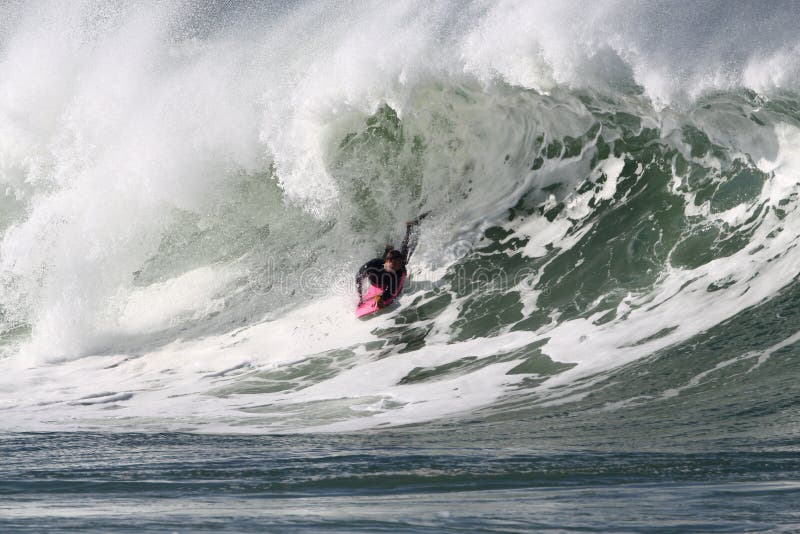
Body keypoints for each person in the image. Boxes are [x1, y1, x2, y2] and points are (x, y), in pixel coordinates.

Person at [356, 215, 425, 308]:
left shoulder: (397, 273)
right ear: (388, 261)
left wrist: (381, 298)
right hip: (379, 275)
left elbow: (391, 291)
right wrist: (360, 297)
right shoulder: (373, 264)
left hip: (382, 279)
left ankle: (409, 228)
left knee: (404, 255)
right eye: (395, 264)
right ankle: (390, 247)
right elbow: (359, 277)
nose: (397, 266)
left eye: (399, 264)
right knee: (384, 261)